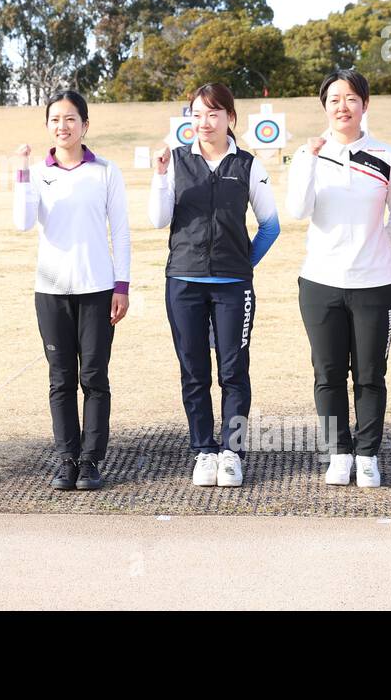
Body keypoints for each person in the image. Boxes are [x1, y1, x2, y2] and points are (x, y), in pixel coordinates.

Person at [149, 83, 280, 488]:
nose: (204, 123)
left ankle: (232, 452)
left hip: (232, 286)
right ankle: (204, 450)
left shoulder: (248, 165)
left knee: (234, 372)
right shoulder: (176, 163)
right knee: (193, 372)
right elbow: (158, 219)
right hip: (183, 282)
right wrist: (158, 176)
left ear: (230, 118)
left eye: (213, 114)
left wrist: (242, 264)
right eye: (197, 114)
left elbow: (270, 227)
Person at [286, 69, 391, 488]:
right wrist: (306, 159)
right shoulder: (310, 154)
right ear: (324, 106)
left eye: (352, 98)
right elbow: (298, 210)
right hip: (320, 282)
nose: (343, 106)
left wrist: (376, 249)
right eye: (335, 99)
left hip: (375, 284)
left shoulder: (387, 156)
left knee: (371, 374)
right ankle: (338, 453)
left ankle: (368, 453)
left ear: (365, 105)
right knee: (328, 373)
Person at [14, 90, 130, 491]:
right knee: (60, 379)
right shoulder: (39, 172)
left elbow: (122, 232)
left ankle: (91, 461)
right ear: (47, 126)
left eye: (70, 119)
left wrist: (122, 285)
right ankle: (66, 458)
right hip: (50, 292)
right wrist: (23, 173)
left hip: (98, 289)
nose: (62, 127)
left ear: (84, 124)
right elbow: (23, 222)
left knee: (94, 377)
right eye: (55, 120)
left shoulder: (106, 171)